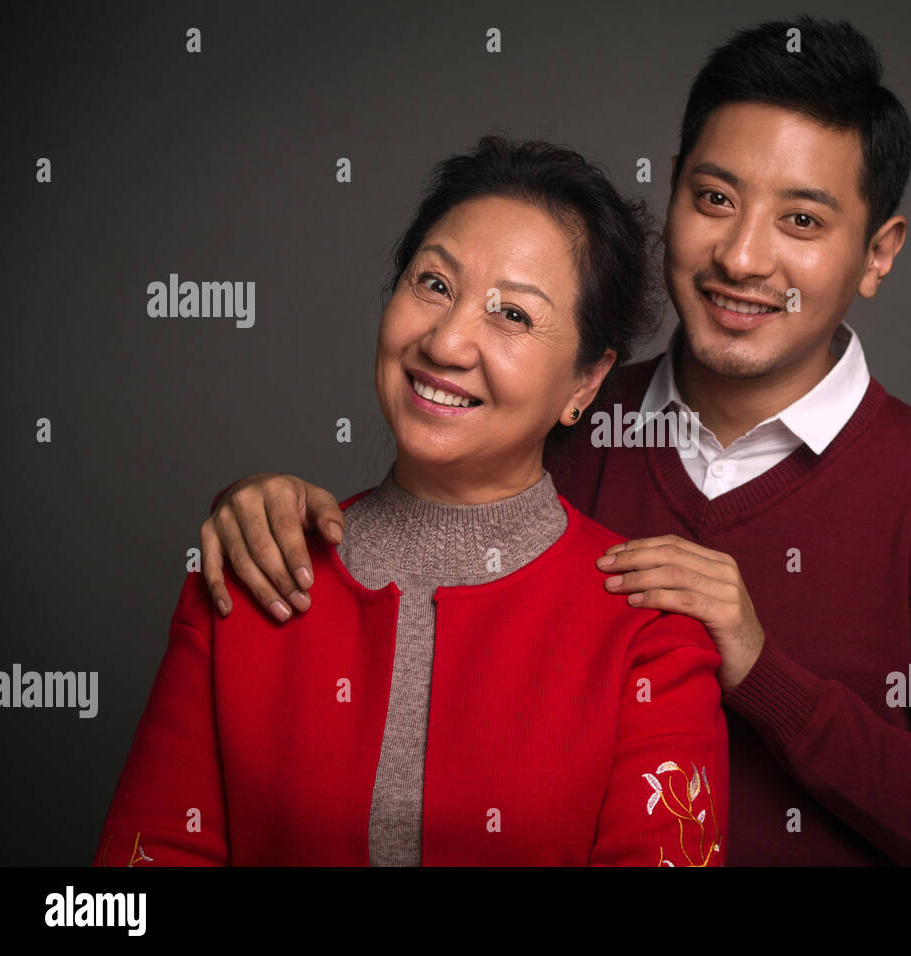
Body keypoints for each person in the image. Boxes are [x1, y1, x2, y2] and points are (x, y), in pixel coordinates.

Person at [196, 16, 911, 866]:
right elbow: (409, 558)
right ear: (673, 191)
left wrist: (762, 673)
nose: (743, 257)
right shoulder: (561, 414)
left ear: (877, 253)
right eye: (714, 199)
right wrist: (260, 512)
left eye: (802, 222)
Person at [94, 135, 728, 867]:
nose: (448, 340)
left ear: (586, 384)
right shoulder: (253, 569)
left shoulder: (650, 637)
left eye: (513, 316)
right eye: (433, 284)